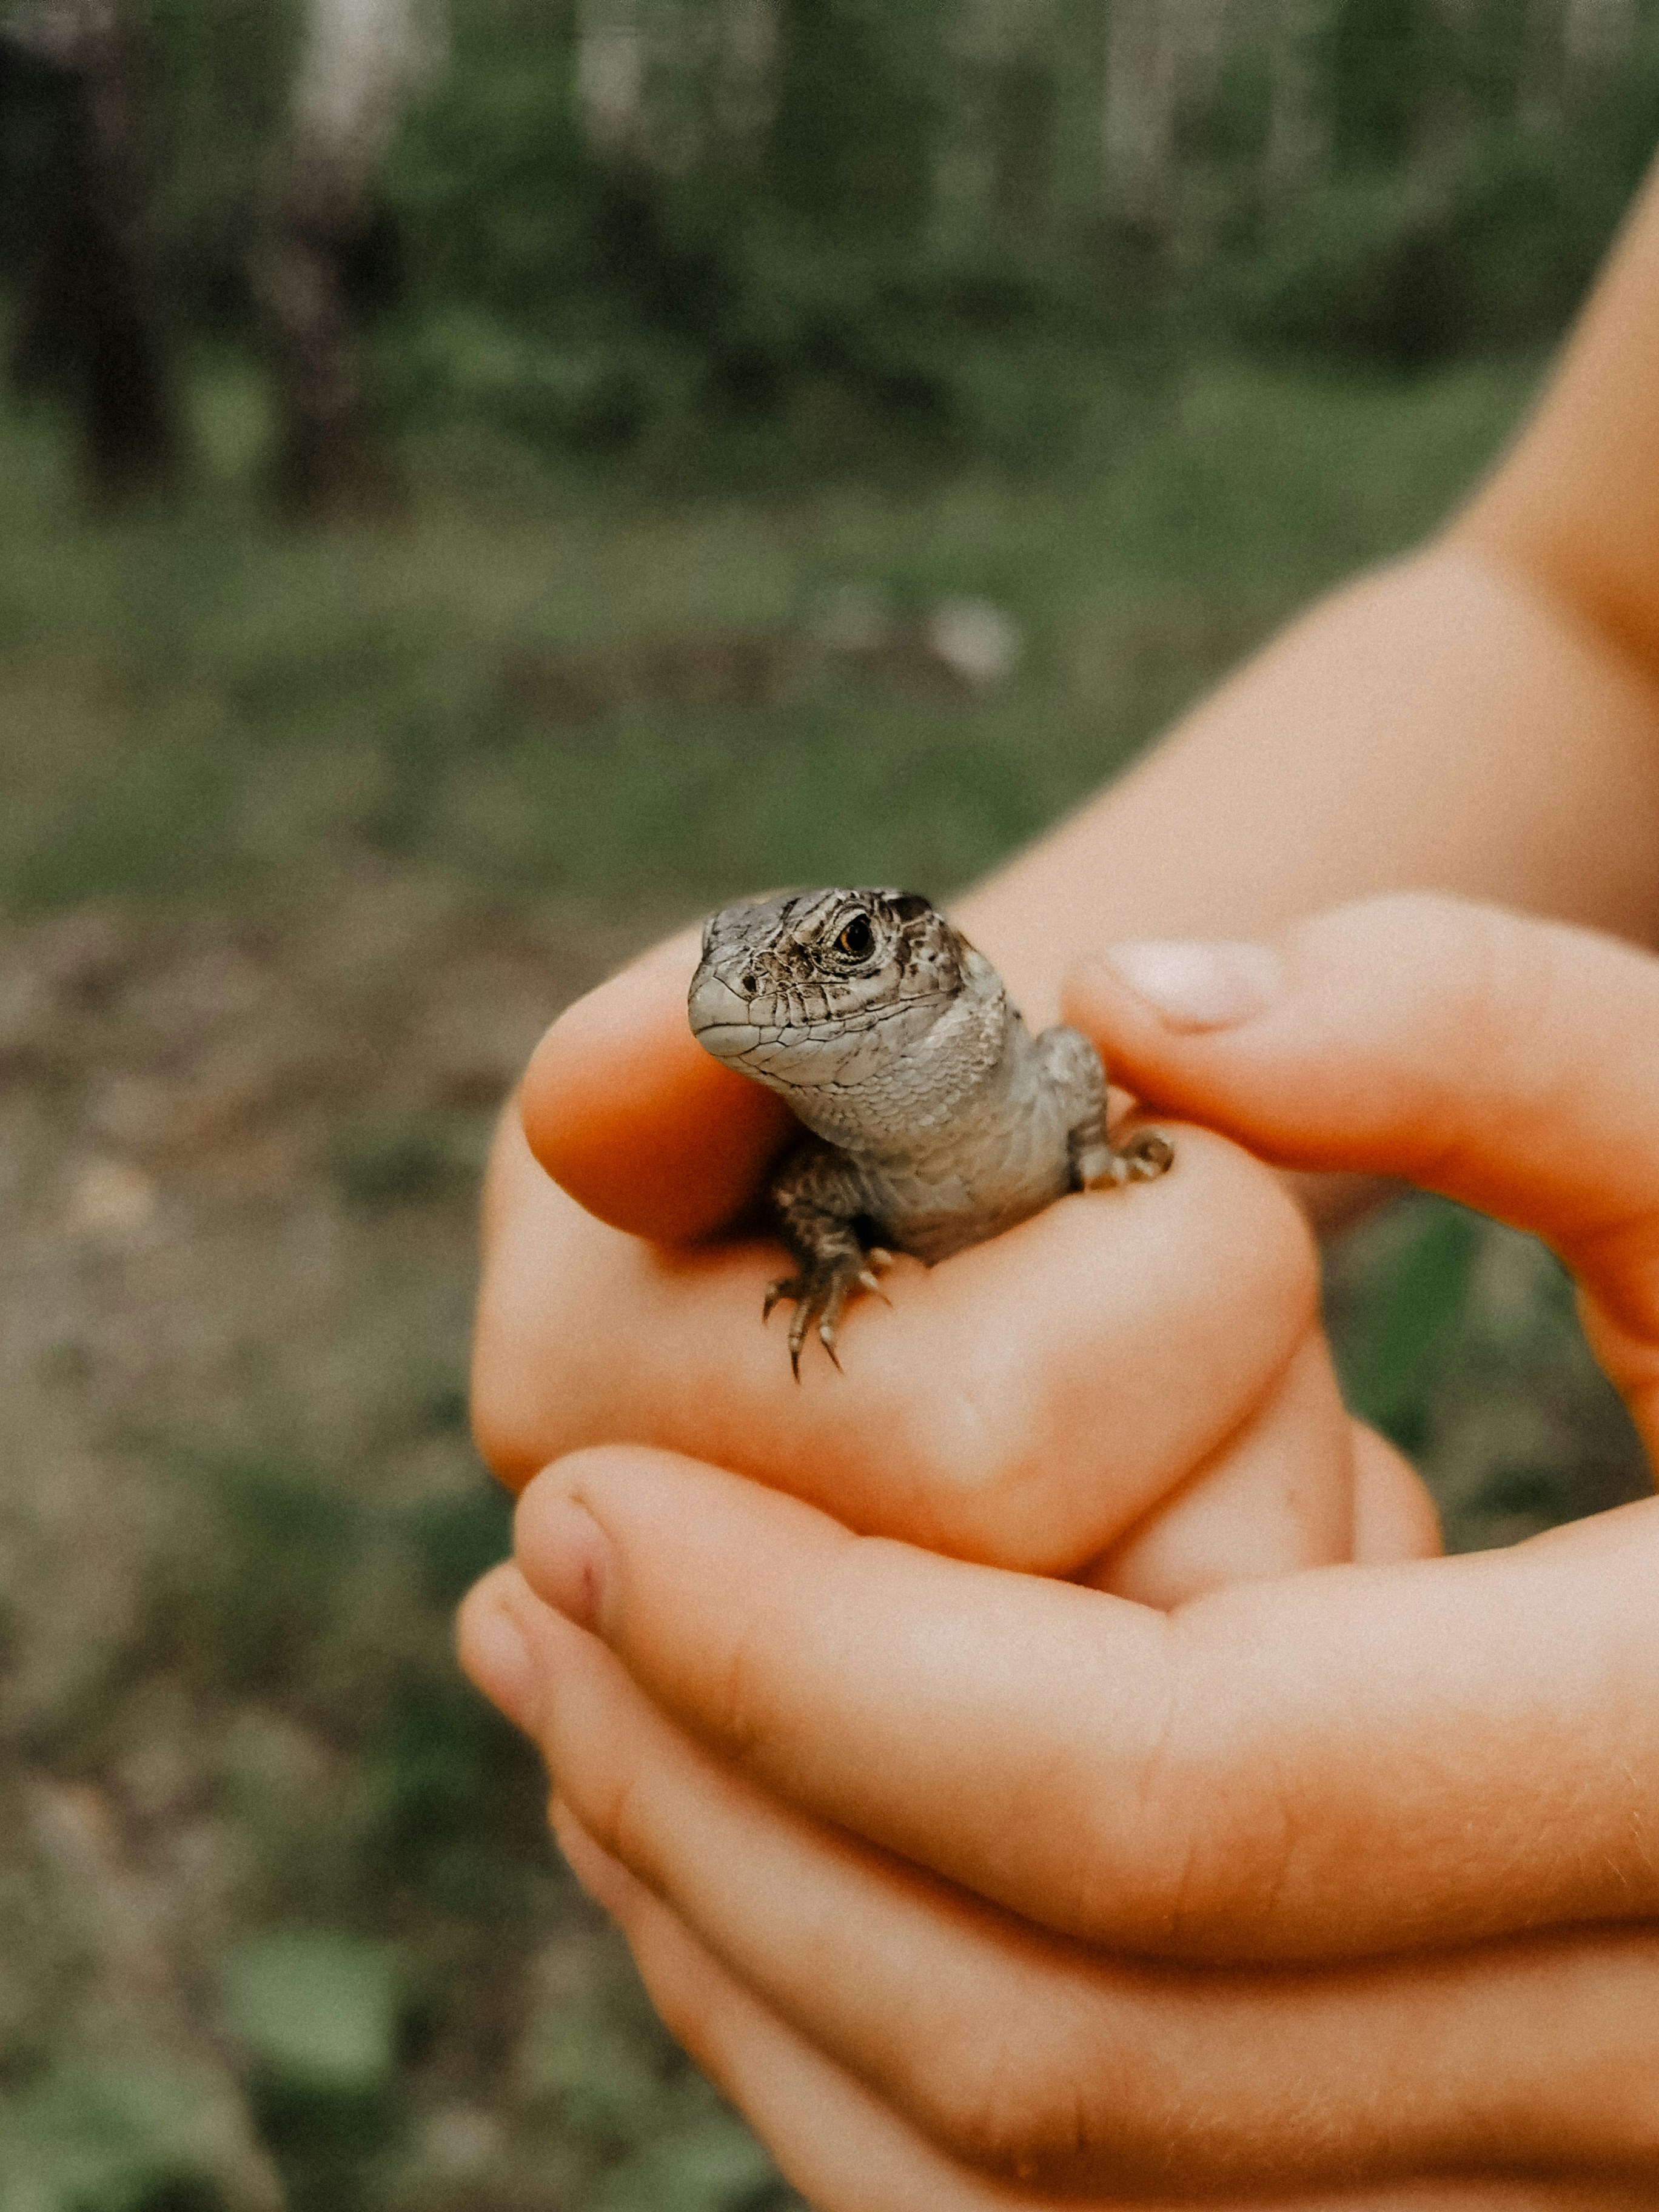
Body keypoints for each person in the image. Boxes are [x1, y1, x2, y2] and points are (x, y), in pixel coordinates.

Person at [458, 155, 1659, 2207]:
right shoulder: (877, 1097)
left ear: (914, 968)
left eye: (824, 963)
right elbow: (1597, 619)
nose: (759, 995)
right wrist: (655, 1259)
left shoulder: (1031, 1060)